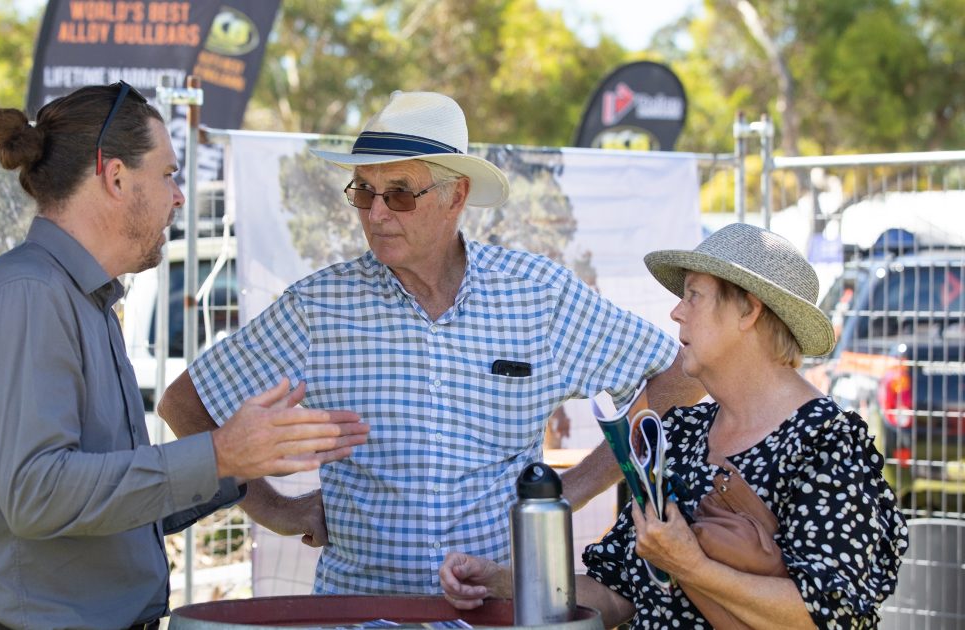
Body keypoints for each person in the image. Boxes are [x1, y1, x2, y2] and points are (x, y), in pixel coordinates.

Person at [159, 90, 704, 594]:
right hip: (359, 614)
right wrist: (276, 510)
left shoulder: (538, 294)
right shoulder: (317, 307)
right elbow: (184, 404)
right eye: (364, 191)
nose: (375, 213)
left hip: (495, 610)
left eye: (399, 193)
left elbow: (680, 374)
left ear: (456, 196)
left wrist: (570, 491)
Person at [0, 82, 368, 630]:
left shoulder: (83, 299)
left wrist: (239, 467)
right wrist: (218, 454)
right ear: (115, 177)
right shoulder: (28, 295)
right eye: (167, 174)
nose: (178, 197)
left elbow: (110, 500)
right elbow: (39, 495)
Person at [440, 223, 909, 628]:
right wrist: (505, 583)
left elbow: (832, 614)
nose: (676, 311)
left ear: (749, 311)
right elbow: (618, 589)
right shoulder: (681, 433)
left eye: (694, 296)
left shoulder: (827, 443)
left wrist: (692, 566)